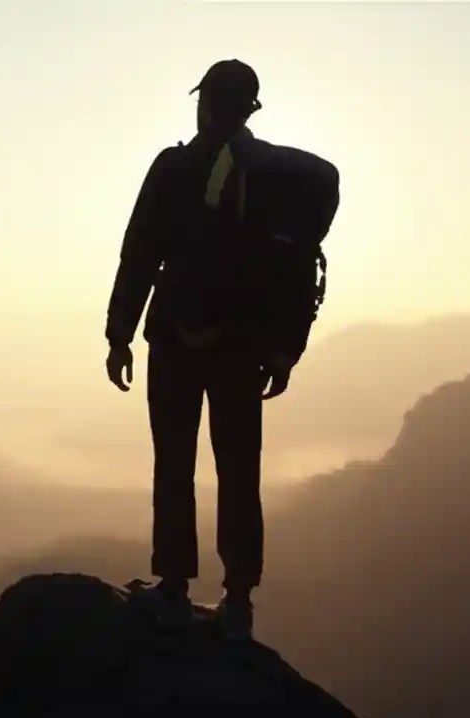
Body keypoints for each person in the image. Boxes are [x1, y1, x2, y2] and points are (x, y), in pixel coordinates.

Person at [104, 59, 306, 641]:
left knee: (174, 465)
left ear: (207, 103)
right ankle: (238, 603)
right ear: (249, 109)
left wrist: (120, 333)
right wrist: (285, 348)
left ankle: (172, 588)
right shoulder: (270, 176)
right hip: (242, 348)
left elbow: (139, 253)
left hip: (173, 338)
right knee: (239, 470)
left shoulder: (173, 168)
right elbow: (293, 267)